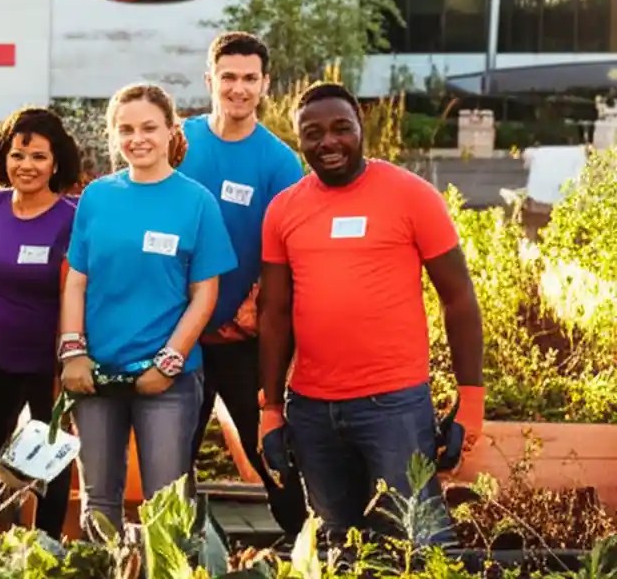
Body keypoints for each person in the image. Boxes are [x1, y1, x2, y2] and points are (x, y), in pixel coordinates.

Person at [258, 81, 485, 543]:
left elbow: (458, 297)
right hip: (312, 412)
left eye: (341, 128)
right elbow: (274, 313)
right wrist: (270, 410)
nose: (328, 142)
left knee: (418, 546)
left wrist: (472, 402)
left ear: (361, 128)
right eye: (313, 133)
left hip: (394, 408)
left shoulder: (412, 195)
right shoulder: (283, 210)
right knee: (338, 546)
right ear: (299, 140)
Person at [59, 83, 237, 536]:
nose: (137, 138)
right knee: (98, 499)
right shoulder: (97, 197)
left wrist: (169, 362)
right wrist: (73, 353)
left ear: (171, 131)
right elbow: (76, 281)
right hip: (95, 375)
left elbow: (204, 294)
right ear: (113, 135)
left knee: (166, 502)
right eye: (126, 129)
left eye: (149, 128)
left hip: (167, 381)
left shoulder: (197, 202)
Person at [176, 32, 308, 536]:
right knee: (172, 461)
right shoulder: (178, 142)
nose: (238, 88)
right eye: (228, 77)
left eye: (249, 78)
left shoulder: (278, 163)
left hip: (241, 340)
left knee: (273, 452)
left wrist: (252, 309)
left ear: (265, 84)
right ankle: (173, 559)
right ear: (210, 80)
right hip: (177, 338)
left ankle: (305, 549)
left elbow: (287, 253)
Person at [0, 107, 82, 538]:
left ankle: (46, 550)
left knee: (49, 467)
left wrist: (69, 357)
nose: (26, 166)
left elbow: (78, 287)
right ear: (4, 158)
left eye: (39, 157)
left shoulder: (71, 216)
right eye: (18, 155)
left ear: (56, 162)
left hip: (50, 364)